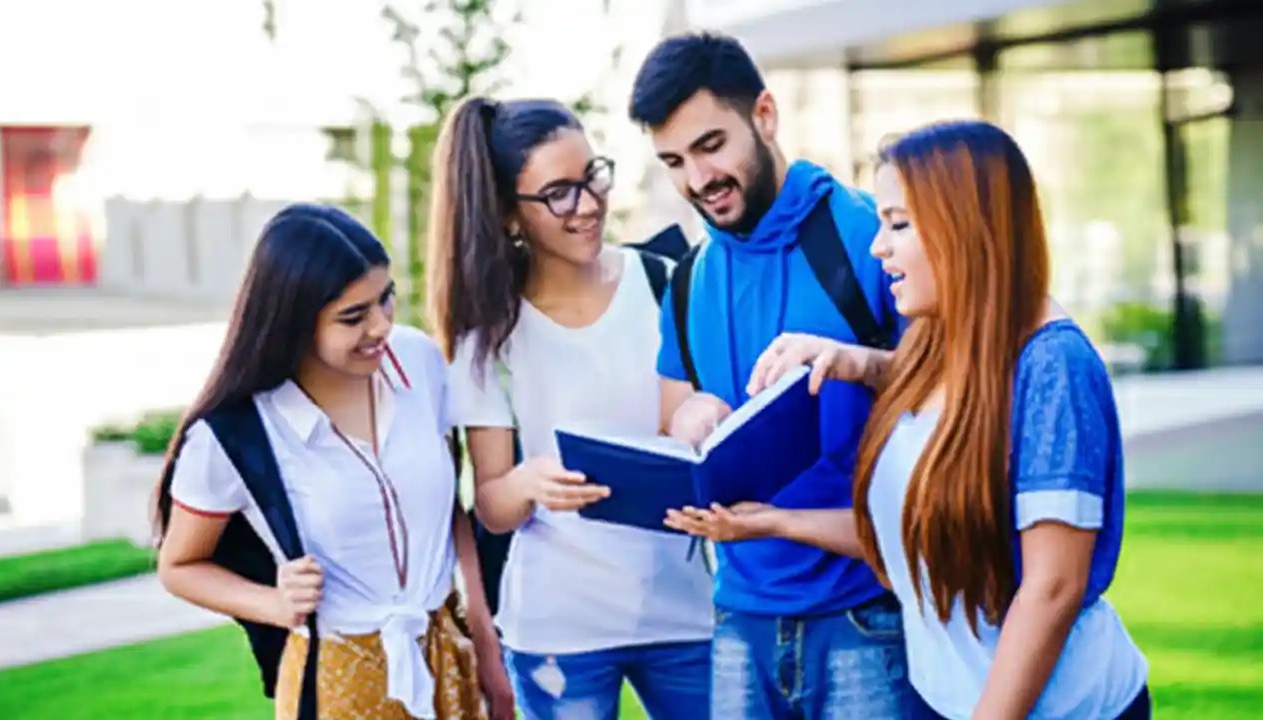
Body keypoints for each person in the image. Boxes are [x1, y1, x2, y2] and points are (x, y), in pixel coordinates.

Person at [744, 120, 1151, 719]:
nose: (878, 248)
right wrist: (770, 521)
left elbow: (1053, 589)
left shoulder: (1054, 365)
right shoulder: (937, 343)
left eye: (898, 224)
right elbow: (913, 535)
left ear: (965, 226)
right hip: (943, 699)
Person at [629, 31, 916, 719]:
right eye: (674, 161)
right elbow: (674, 413)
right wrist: (691, 417)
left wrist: (856, 361)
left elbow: (950, 383)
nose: (698, 179)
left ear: (764, 115)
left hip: (865, 608)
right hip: (738, 617)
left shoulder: (867, 235)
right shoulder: (689, 281)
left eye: (711, 146)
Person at [154, 203, 514, 720]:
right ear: (294, 323)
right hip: (336, 680)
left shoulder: (418, 361)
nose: (381, 326)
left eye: (386, 298)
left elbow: (448, 511)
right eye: (353, 316)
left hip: (446, 652)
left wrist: (484, 639)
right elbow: (179, 566)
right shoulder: (235, 433)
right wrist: (274, 603)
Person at [427, 97, 715, 720]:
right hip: (559, 631)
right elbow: (493, 507)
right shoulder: (489, 338)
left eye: (592, 177)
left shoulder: (666, 282)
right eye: (558, 193)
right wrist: (529, 480)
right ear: (510, 214)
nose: (587, 204)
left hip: (686, 612)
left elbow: (691, 425)